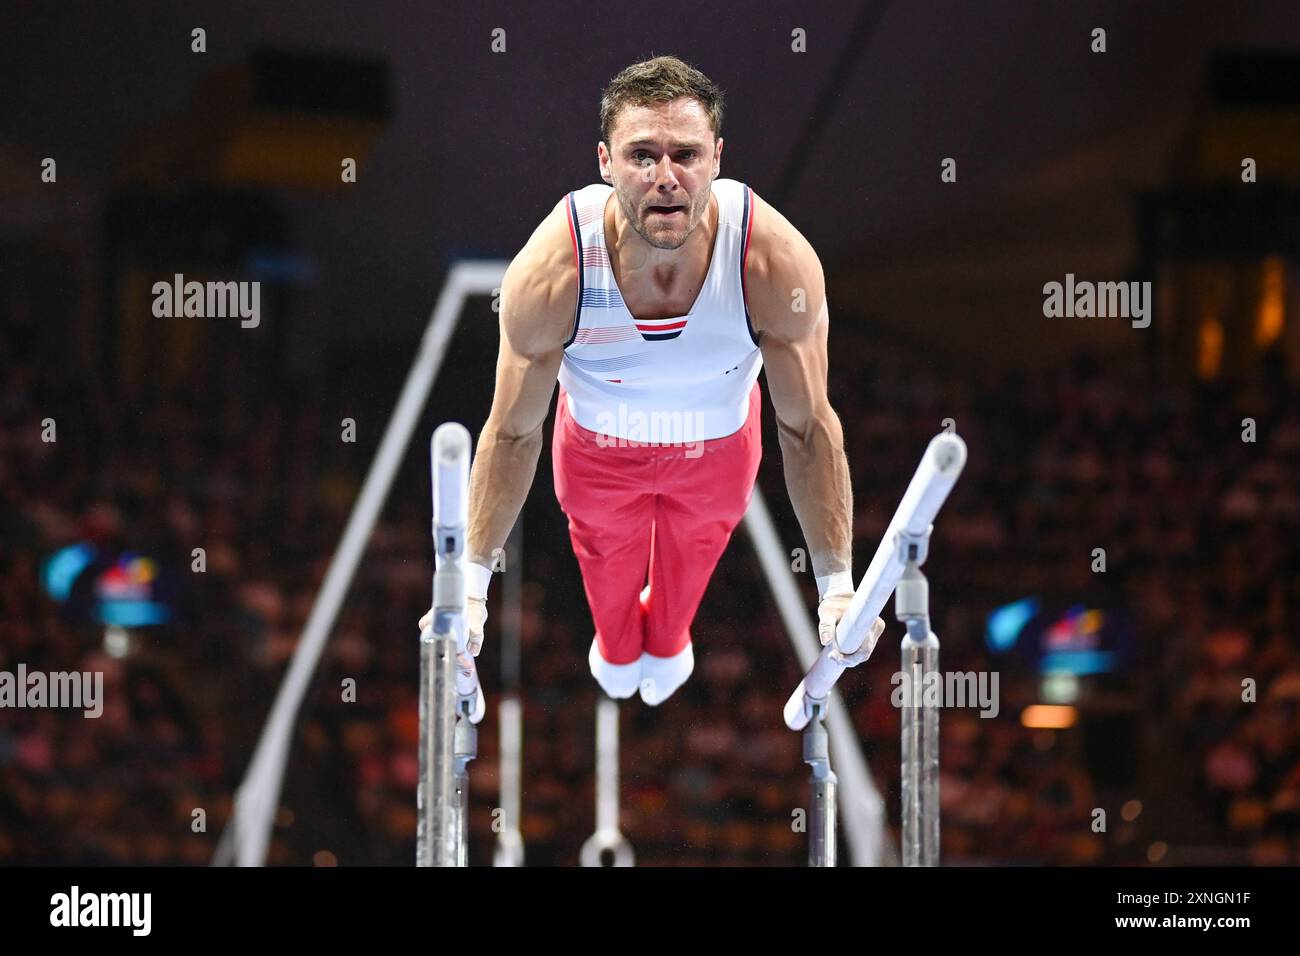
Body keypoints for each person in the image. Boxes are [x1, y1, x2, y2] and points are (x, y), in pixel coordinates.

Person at [420, 55, 883, 705]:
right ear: (605, 162)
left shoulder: (772, 261)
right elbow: (513, 431)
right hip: (598, 460)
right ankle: (616, 647)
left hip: (717, 458)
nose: (666, 178)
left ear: (717, 158)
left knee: (673, 620)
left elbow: (807, 427)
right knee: (612, 614)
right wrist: (470, 589)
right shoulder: (554, 270)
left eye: (685, 155)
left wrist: (838, 585)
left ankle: (665, 643)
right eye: (642, 155)